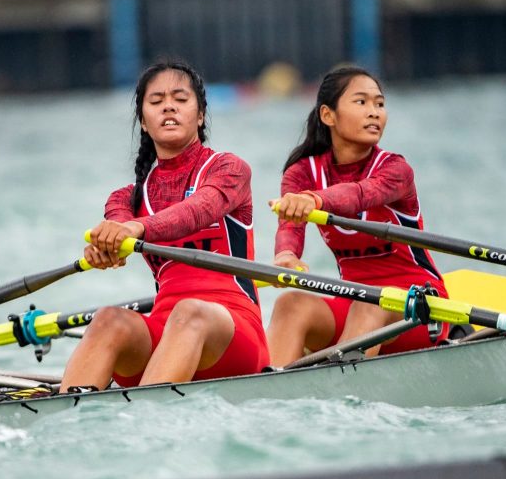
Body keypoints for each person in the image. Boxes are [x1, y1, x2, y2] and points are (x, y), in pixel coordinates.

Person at [58, 60, 269, 392]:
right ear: (144, 121)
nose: (168, 105)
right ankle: (67, 416)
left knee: (190, 313)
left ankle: (144, 418)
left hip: (232, 336)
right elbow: (119, 229)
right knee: (109, 319)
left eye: (180, 99)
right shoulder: (125, 198)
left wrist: (134, 230)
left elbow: (200, 209)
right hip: (162, 332)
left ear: (200, 116)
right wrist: (106, 247)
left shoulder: (228, 169)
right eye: (156, 101)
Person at [267, 65, 448, 366]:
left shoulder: (395, 170)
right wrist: (286, 255)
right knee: (290, 304)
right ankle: (268, 392)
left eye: (379, 104)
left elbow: (361, 194)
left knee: (371, 303)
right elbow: (290, 225)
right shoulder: (301, 173)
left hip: (418, 307)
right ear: (328, 115)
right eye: (361, 102)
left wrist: (314, 200)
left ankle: (343, 393)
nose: (374, 112)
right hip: (352, 300)